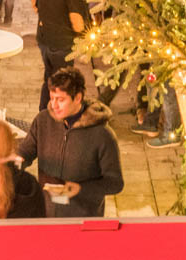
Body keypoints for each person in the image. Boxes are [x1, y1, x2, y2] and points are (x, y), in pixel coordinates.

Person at [17, 67, 123, 218]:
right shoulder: (43, 120)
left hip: (82, 217)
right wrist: (16, 161)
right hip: (46, 213)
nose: (54, 105)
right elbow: (26, 152)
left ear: (78, 98)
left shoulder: (103, 135)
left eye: (61, 100)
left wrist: (80, 189)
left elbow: (115, 183)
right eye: (52, 98)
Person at [32, 0, 89, 109]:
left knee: (49, 80)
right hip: (62, 43)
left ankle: (43, 117)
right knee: (61, 86)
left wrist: (48, 17)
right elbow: (77, 22)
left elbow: (34, 1)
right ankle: (55, 122)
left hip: (44, 38)